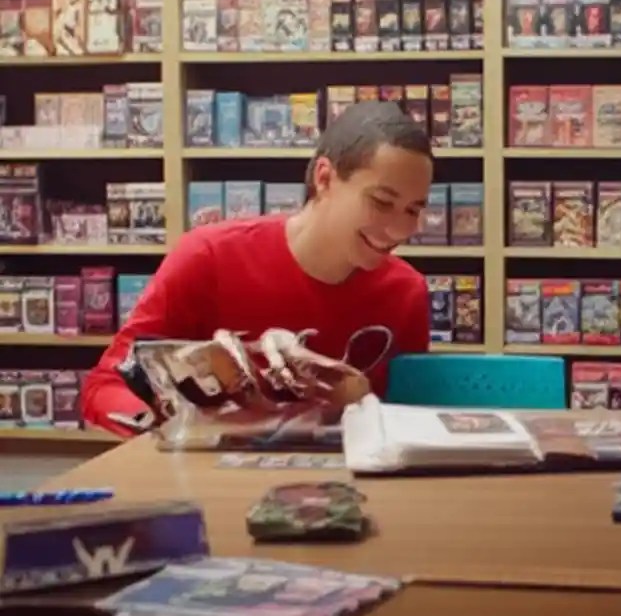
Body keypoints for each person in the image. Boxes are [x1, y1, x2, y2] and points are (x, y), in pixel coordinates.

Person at [82, 101, 433, 436]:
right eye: (382, 202)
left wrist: (359, 403)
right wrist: (169, 424)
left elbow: (405, 422)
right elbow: (106, 386)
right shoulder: (208, 256)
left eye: (413, 210)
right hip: (212, 487)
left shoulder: (407, 292)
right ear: (324, 179)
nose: (401, 230)